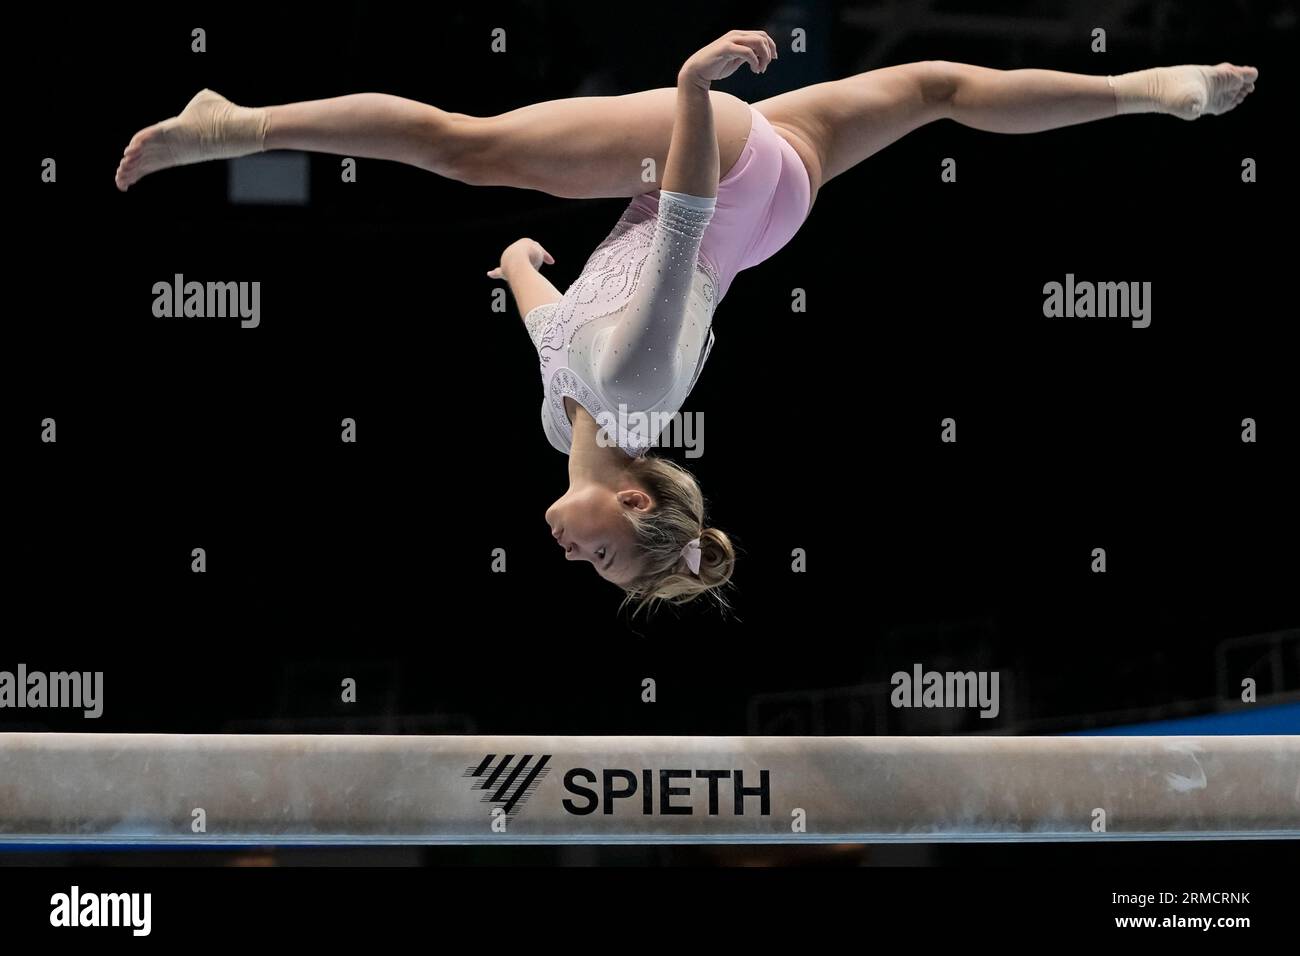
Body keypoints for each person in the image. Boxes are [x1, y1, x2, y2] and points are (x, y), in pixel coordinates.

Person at [114, 30, 1257, 613]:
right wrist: (695, 92)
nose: (574, 553)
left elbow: (557, 327)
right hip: (711, 178)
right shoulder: (641, 395)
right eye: (605, 550)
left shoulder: (574, 414)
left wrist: (519, 268)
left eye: (593, 567)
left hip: (770, 208)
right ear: (633, 497)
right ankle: (237, 124)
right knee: (464, 146)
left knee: (941, 91)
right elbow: (675, 229)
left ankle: (1145, 90)